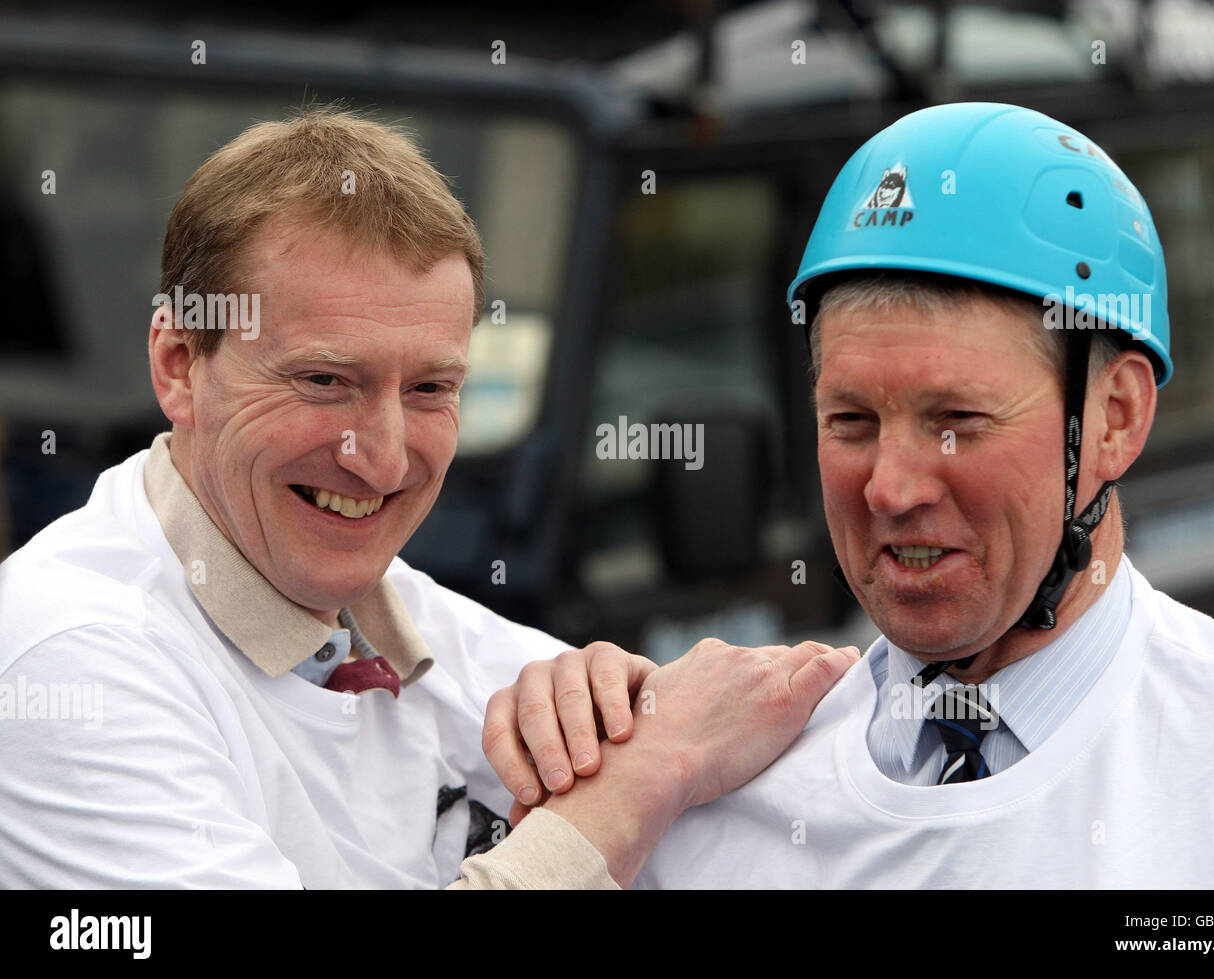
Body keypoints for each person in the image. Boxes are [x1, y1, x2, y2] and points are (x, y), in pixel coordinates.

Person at [0, 107, 860, 889]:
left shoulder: (422, 633)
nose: (380, 459)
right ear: (180, 366)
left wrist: (618, 712)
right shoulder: (64, 654)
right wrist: (629, 790)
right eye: (325, 380)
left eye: (430, 390)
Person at [485, 102, 1214, 887]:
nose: (891, 486)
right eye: (850, 419)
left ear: (1115, 418)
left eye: (958, 420)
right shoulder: (694, 779)